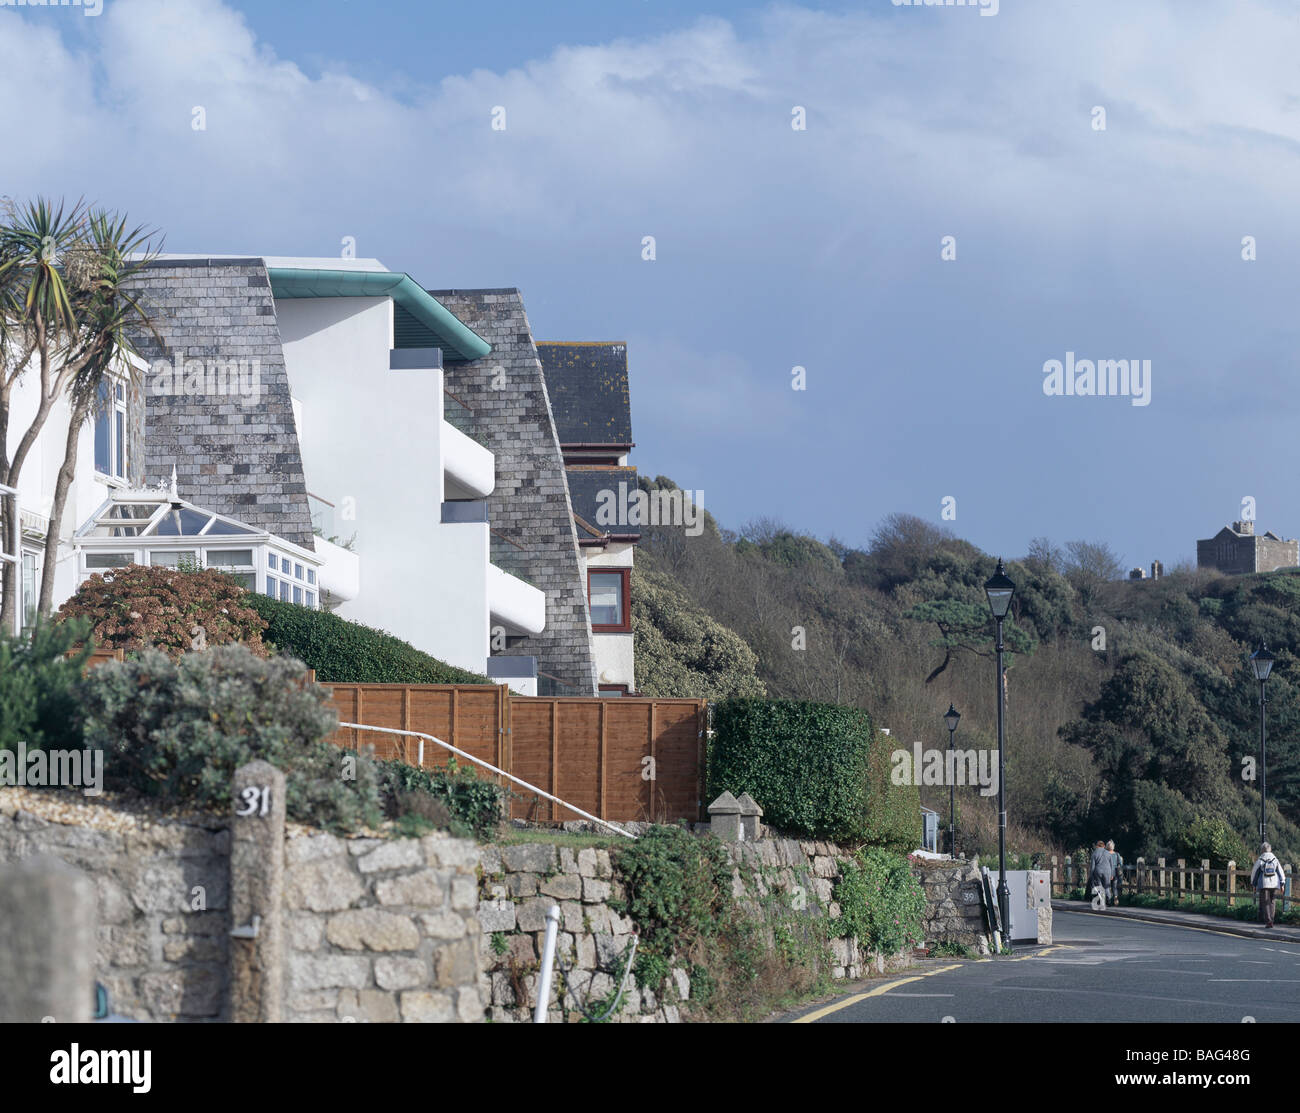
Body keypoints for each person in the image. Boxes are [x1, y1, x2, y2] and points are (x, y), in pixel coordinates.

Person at [1250, 842, 1286, 928]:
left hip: (1264, 884)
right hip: (1275, 883)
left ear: (1262, 850)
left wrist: (1254, 884)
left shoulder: (1260, 860)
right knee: (1272, 901)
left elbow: (1255, 873)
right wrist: (1282, 883)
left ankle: (1269, 921)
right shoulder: (1275, 859)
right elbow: (1280, 872)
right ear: (1270, 850)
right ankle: (1272, 920)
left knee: (1265, 902)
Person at [1088, 840, 1114, 909]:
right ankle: (1109, 901)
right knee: (1107, 886)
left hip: (1098, 871)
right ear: (1104, 846)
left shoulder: (1094, 853)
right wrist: (1112, 874)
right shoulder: (1108, 853)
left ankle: (1102, 901)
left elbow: (1092, 866)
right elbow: (1112, 865)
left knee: (1100, 886)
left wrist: (1091, 875)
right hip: (1107, 871)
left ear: (1097, 846)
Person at [1107, 839, 1123, 905]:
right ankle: (1116, 897)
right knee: (1114, 887)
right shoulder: (1117, 854)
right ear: (1113, 847)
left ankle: (1108, 900)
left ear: (1107, 846)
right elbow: (1120, 864)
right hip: (1115, 873)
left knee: (1107, 887)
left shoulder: (1106, 854)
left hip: (1108, 873)